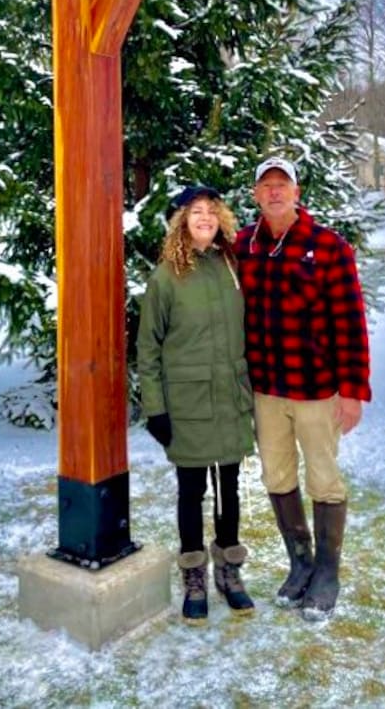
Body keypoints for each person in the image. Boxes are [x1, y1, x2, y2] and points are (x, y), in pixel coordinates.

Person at [234, 156, 371, 622]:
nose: (274, 192)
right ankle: (301, 564)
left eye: (282, 185)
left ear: (297, 193)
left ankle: (328, 573)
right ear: (256, 195)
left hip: (317, 391)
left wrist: (352, 391)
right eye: (266, 185)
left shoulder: (328, 247)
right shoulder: (243, 246)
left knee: (323, 479)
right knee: (276, 477)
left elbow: (351, 324)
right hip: (267, 391)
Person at [137, 185, 256, 625]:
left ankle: (229, 571)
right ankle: (193, 576)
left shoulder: (232, 265)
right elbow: (148, 348)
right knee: (192, 492)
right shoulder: (167, 276)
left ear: (220, 219)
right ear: (180, 222)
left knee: (229, 489)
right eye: (195, 212)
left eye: (211, 211)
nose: (204, 217)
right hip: (187, 404)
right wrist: (156, 409)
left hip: (230, 399)